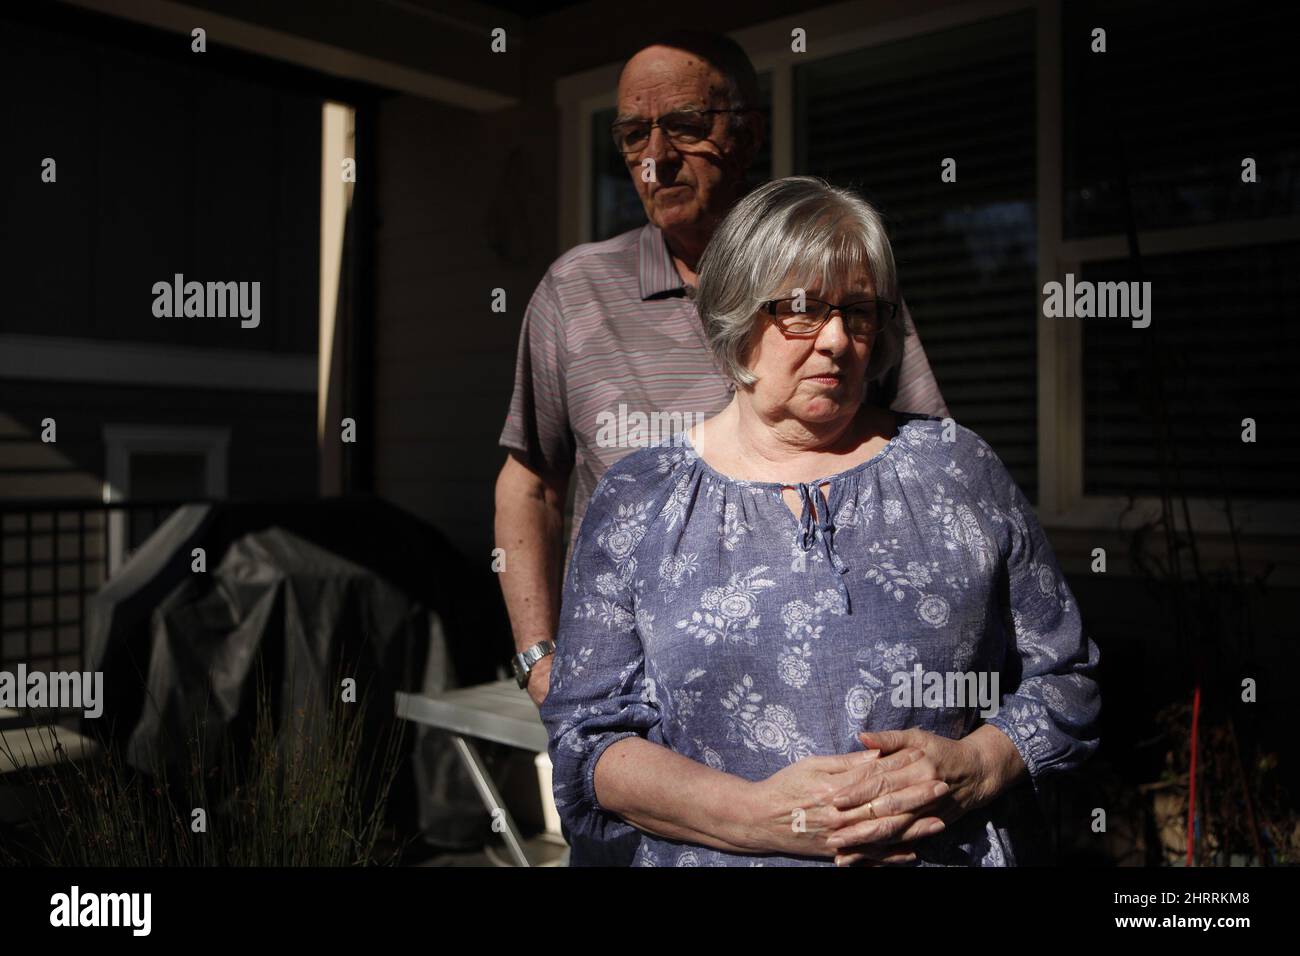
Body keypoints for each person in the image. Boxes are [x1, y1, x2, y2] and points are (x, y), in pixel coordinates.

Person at [538, 176, 1100, 866]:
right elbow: (586, 740)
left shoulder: (956, 468)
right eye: (801, 309)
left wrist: (980, 766)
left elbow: (1067, 677)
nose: (836, 339)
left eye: (859, 312)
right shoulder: (639, 498)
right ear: (735, 313)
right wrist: (752, 818)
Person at [496, 31, 947, 865]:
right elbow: (529, 483)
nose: (655, 159)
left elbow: (926, 473)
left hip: (828, 720)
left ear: (749, 131)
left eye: (685, 125)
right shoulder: (574, 294)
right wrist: (540, 661)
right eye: (633, 134)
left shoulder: (838, 287)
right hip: (638, 735)